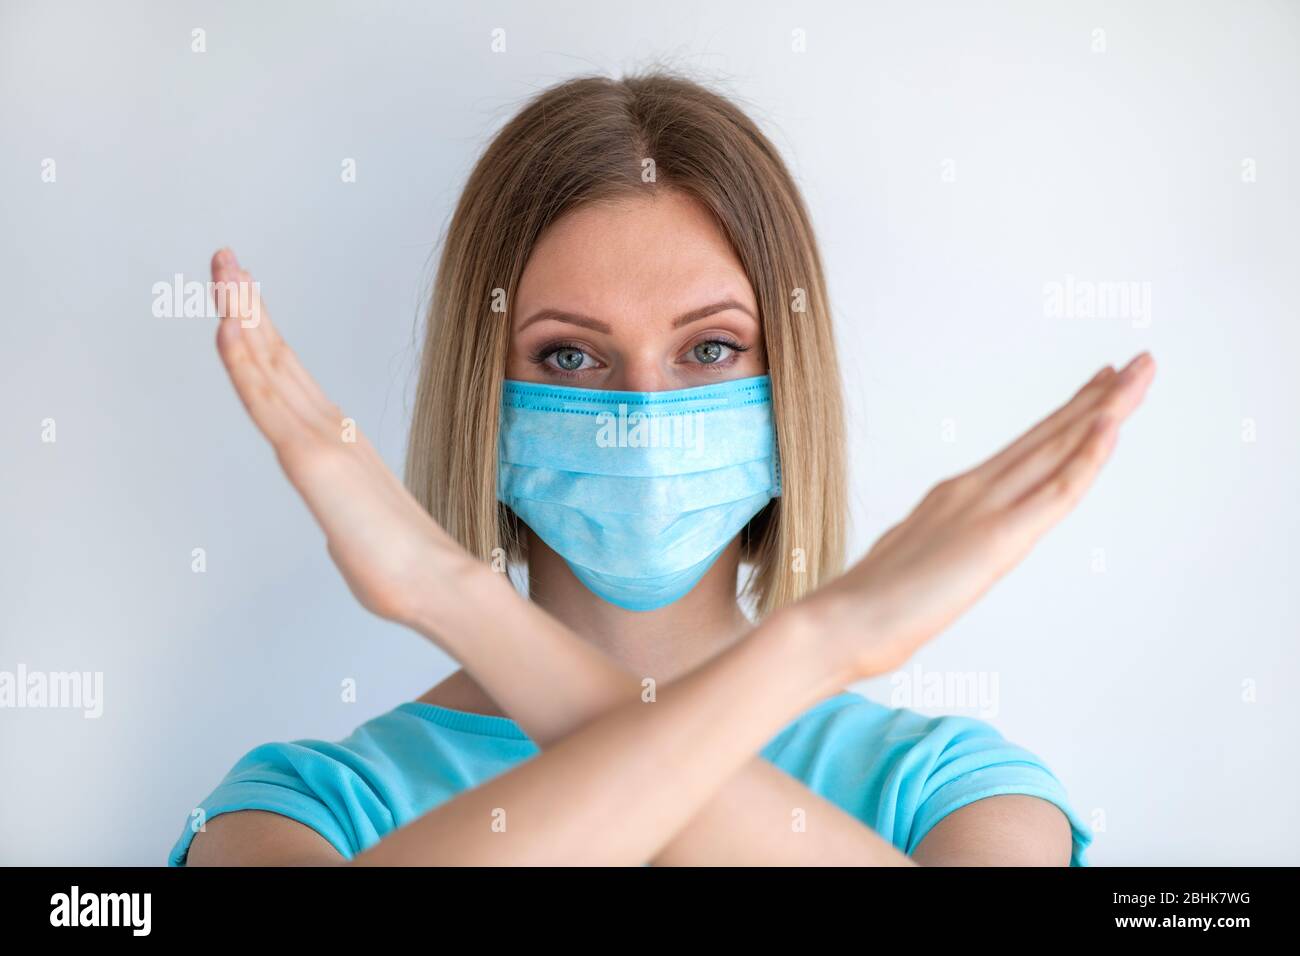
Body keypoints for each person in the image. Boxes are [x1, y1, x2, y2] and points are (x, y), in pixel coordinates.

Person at [170, 72, 1155, 866]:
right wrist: (819, 643)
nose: (638, 415)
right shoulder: (305, 809)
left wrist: (463, 602)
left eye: (710, 348)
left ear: (788, 380)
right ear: (486, 391)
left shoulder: (957, 791)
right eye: (568, 354)